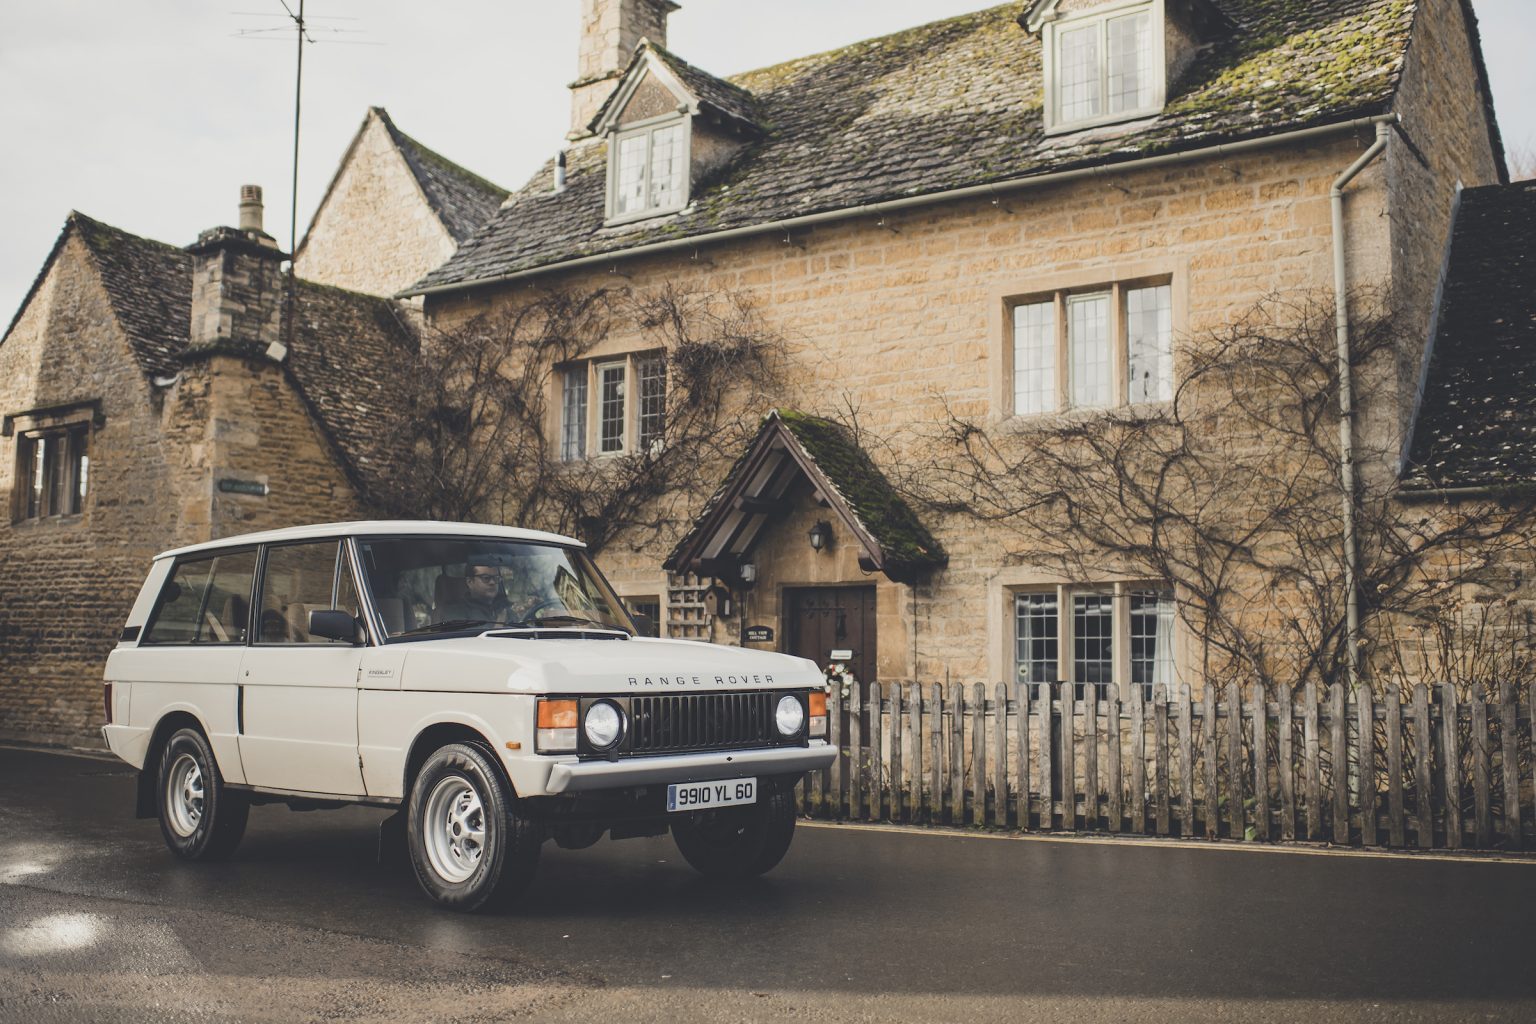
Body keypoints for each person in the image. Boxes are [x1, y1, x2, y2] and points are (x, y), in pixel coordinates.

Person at [436, 561, 514, 625]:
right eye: (486, 578)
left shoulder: (507, 610)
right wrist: (499, 625)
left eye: (496, 578)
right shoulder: (455, 613)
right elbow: (465, 639)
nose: (492, 582)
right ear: (469, 582)